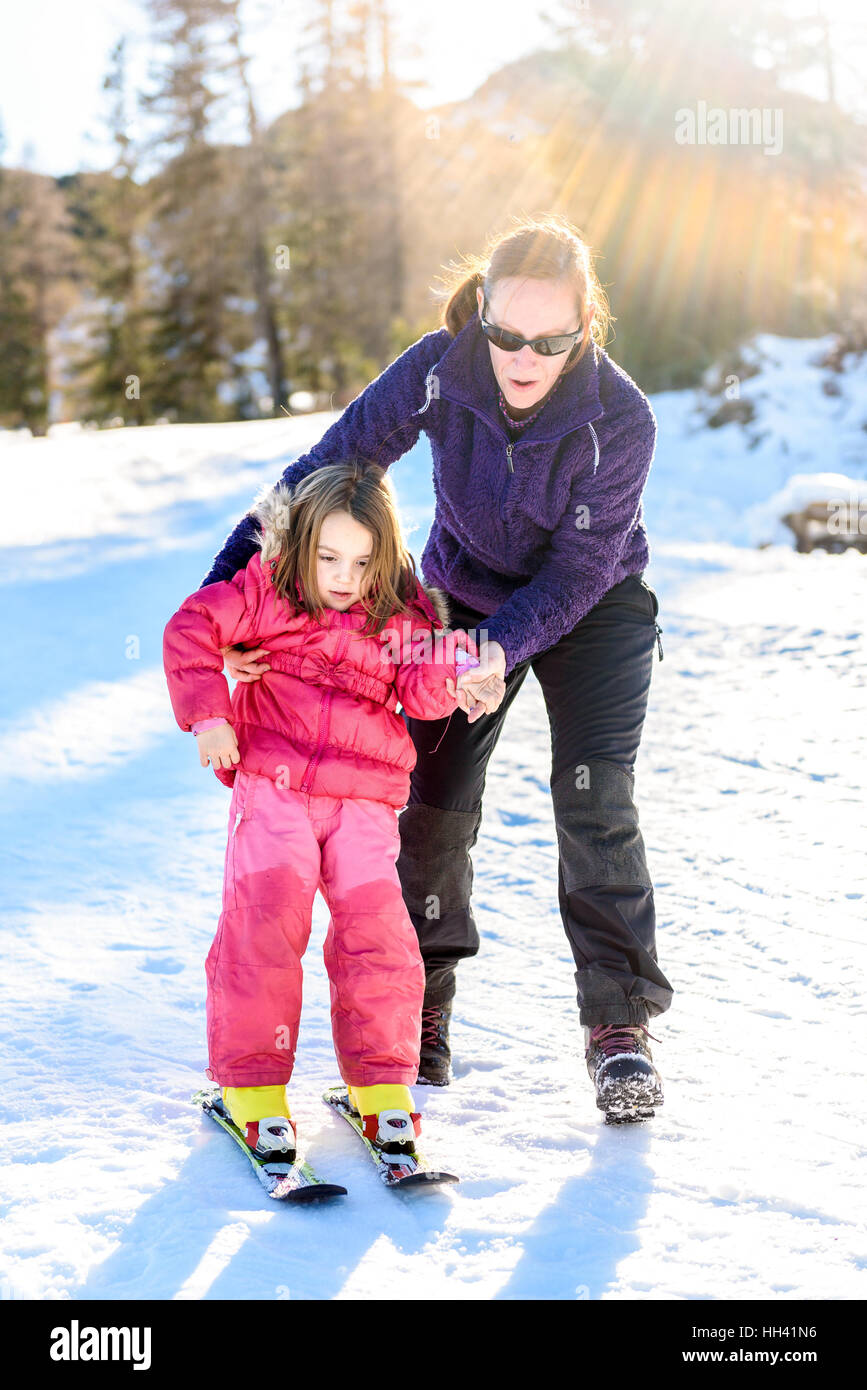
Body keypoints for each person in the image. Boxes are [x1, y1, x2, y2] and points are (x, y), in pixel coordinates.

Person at [200, 212, 674, 1124]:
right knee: (429, 799)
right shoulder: (436, 368)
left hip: (596, 603)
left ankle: (617, 1029)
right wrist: (227, 589)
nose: (523, 357)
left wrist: (495, 652)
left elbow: (577, 569)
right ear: (480, 317)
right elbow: (324, 467)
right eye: (504, 334)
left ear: (586, 328)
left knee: (594, 797)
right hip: (459, 595)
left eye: (550, 340)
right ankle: (418, 1016)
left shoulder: (619, 419)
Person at [163, 461, 499, 1166]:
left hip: (365, 804)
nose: (345, 576)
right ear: (298, 547)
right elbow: (191, 628)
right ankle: (250, 1087)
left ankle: (380, 1086)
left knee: (379, 940)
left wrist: (458, 671)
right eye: (328, 558)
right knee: (263, 928)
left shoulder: (397, 616)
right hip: (272, 789)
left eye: (362, 561)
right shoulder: (263, 592)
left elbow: (423, 677)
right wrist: (208, 718)